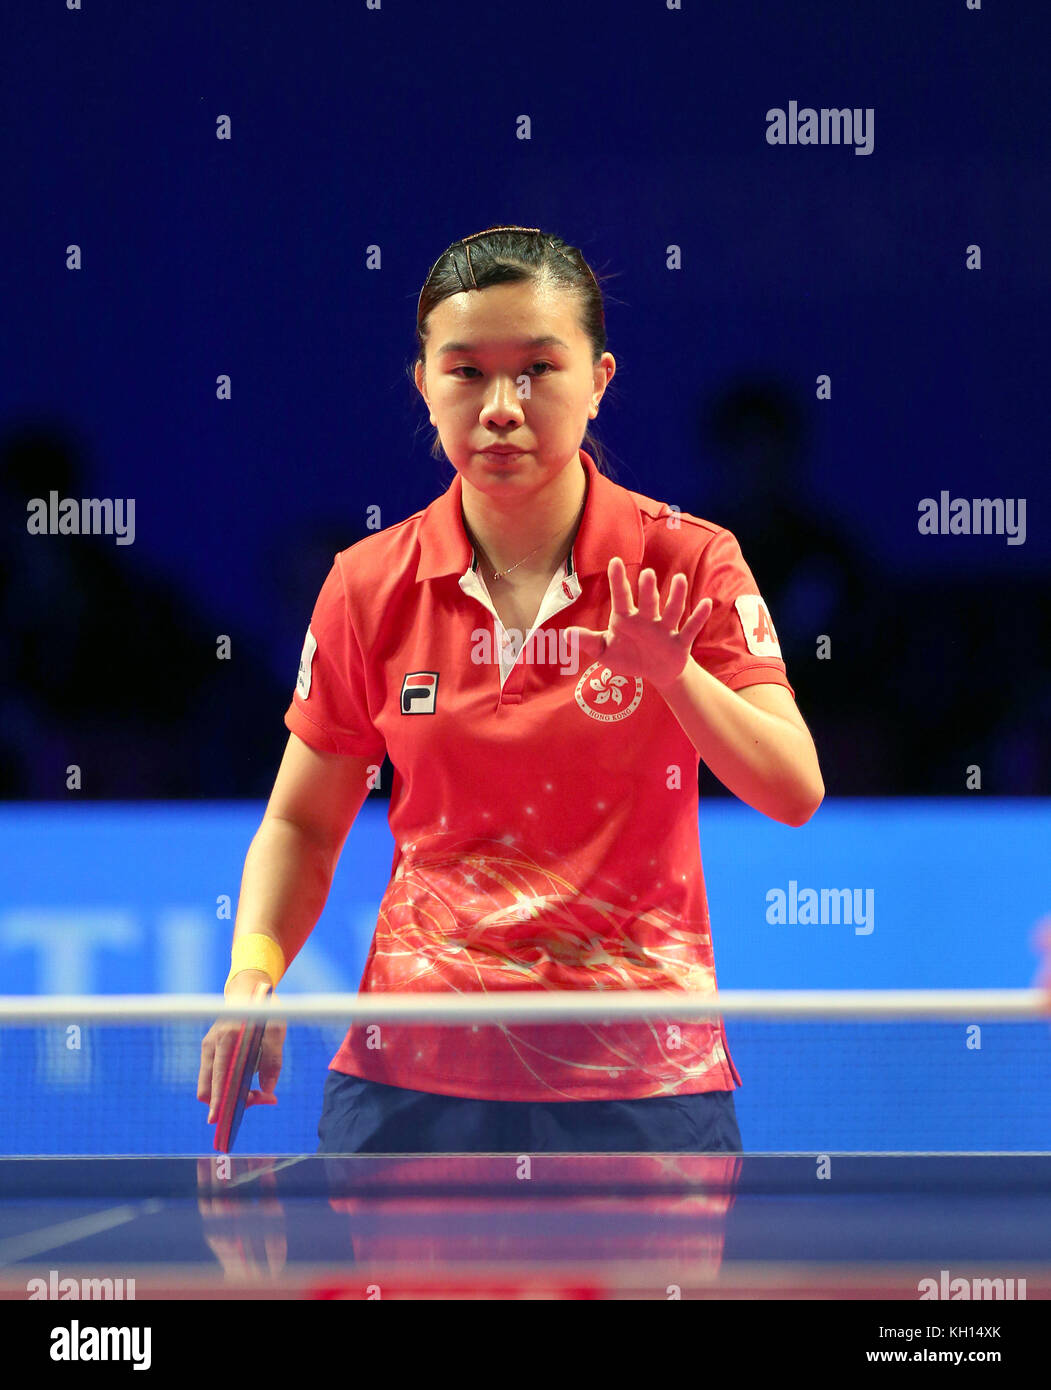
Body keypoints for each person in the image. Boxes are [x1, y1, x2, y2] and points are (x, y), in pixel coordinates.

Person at [198, 225, 825, 1155]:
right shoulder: (366, 584)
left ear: (599, 379)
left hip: (641, 1074)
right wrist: (252, 971)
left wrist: (675, 676)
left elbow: (793, 789)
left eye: (536, 369)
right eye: (466, 373)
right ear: (424, 385)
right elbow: (301, 822)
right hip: (409, 1076)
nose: (501, 406)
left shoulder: (688, 560)